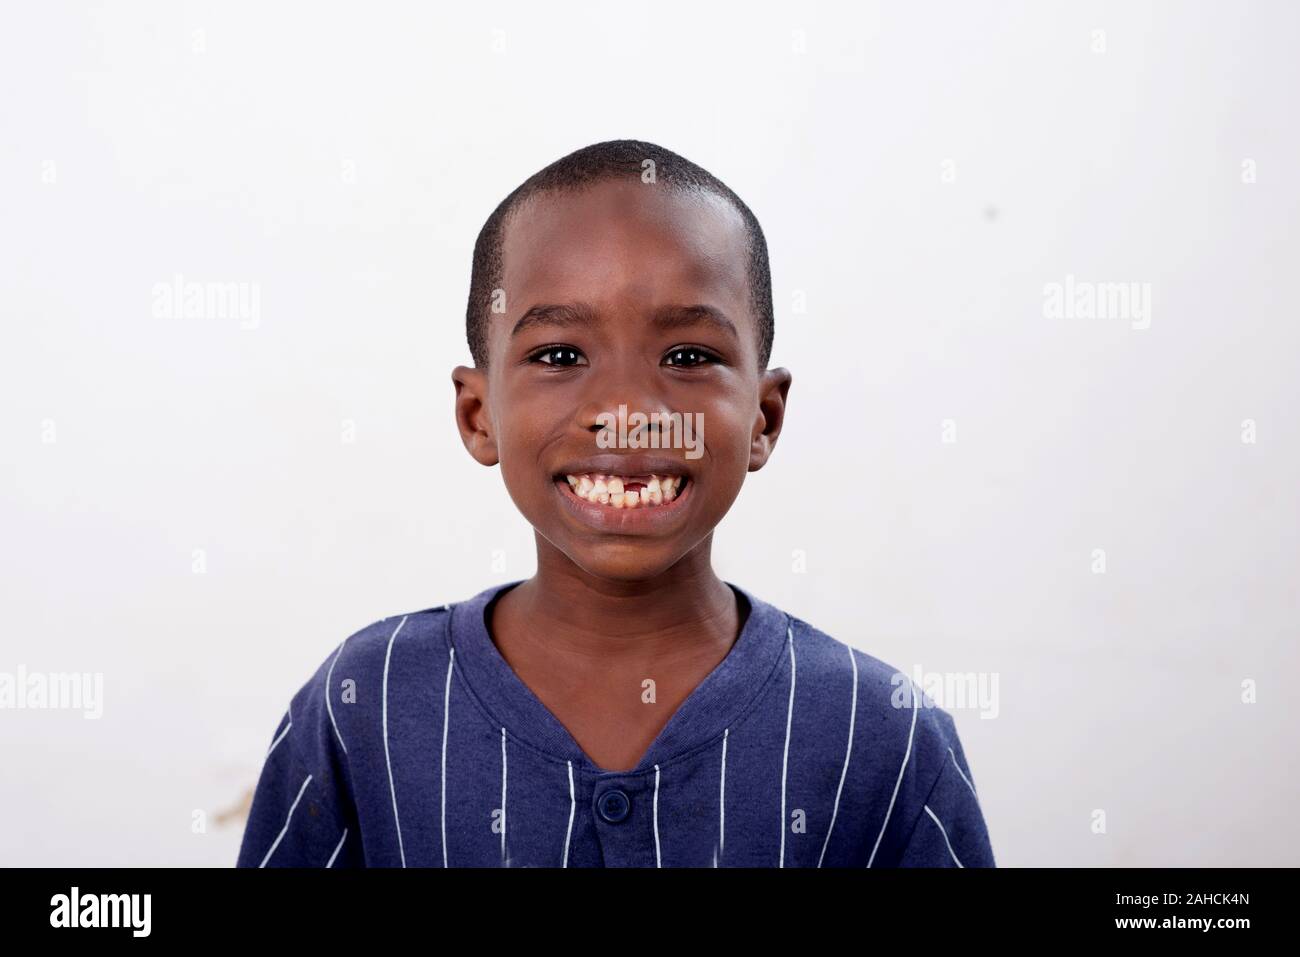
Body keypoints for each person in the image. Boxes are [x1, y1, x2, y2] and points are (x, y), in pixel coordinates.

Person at [236, 140, 995, 868]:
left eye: (689, 356)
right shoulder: (364, 708)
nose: (627, 409)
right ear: (479, 414)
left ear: (764, 417)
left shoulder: (880, 735)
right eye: (560, 355)